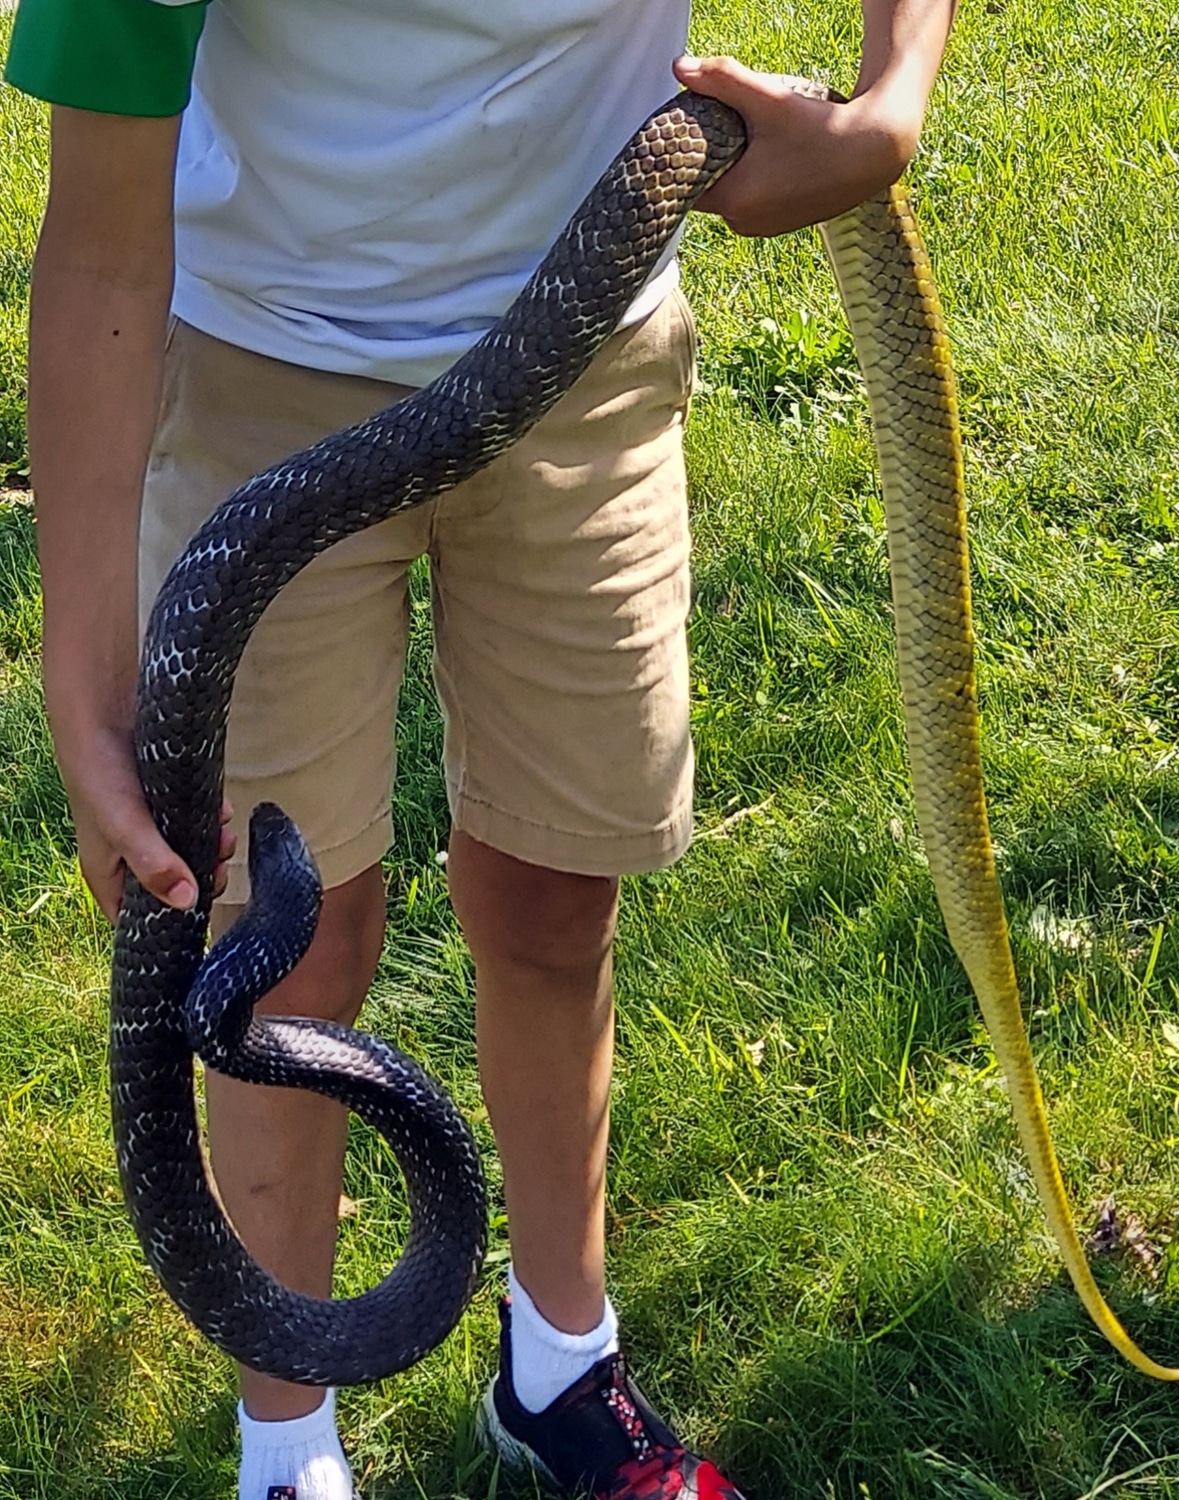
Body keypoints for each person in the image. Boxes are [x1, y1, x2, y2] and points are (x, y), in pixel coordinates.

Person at [5, 0, 955, 1495]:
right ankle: (286, 1445)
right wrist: (85, 672)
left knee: (557, 889)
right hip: (264, 366)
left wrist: (891, 99)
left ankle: (561, 1367)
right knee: (277, 948)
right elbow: (107, 238)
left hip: (594, 369)